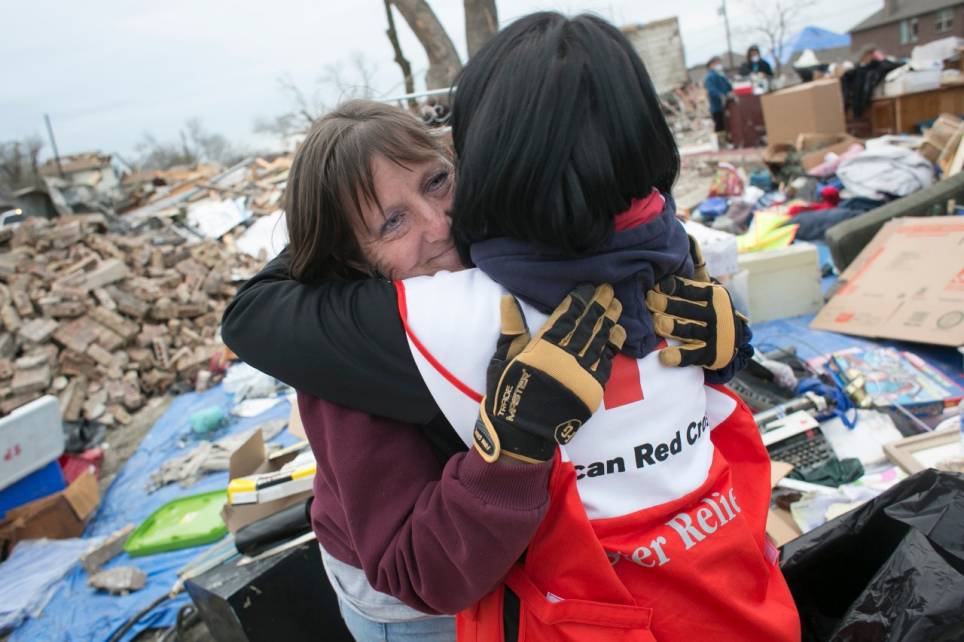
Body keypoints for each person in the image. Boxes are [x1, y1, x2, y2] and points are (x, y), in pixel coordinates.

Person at [222, 12, 789, 640]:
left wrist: (720, 350)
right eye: (392, 222)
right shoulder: (347, 354)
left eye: (438, 182)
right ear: (351, 259)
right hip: (419, 608)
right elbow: (416, 571)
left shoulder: (505, 248)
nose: (438, 225)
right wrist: (508, 455)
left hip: (528, 572)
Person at [703, 56, 732, 136]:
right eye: (717, 63)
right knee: (720, 126)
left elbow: (728, 87)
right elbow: (711, 90)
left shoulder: (720, 75)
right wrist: (720, 95)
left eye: (719, 63)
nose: (719, 65)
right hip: (717, 106)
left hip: (725, 104)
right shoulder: (710, 76)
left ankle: (727, 139)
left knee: (727, 125)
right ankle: (721, 140)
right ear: (711, 65)